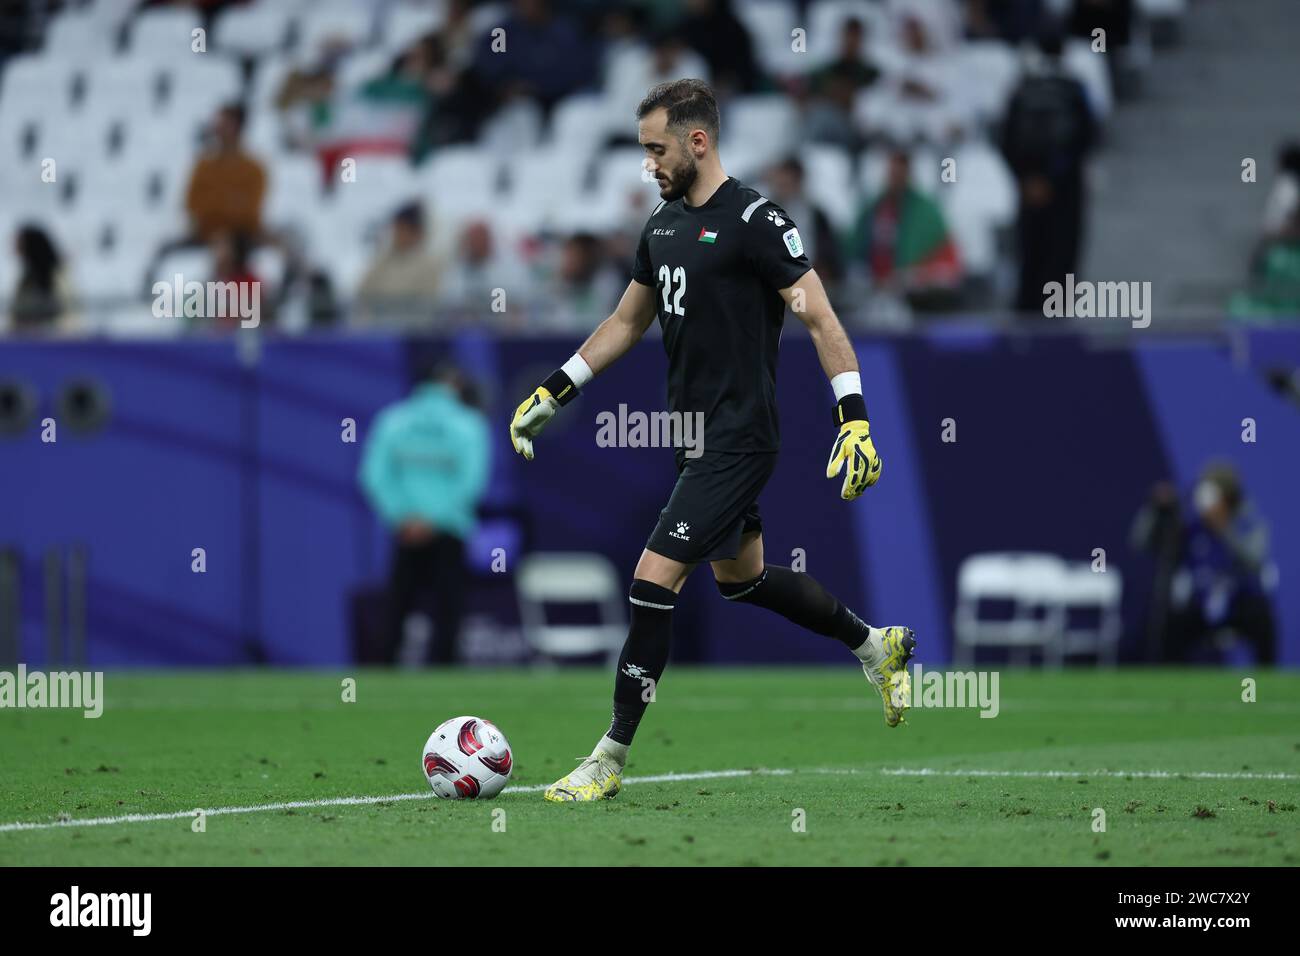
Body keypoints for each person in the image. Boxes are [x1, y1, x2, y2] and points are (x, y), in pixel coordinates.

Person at [508, 79, 915, 803]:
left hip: (740, 438)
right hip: (692, 438)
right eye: (643, 151)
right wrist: (555, 388)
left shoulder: (758, 221)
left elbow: (820, 318)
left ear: (698, 142)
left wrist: (853, 417)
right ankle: (873, 645)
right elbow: (626, 324)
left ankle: (607, 758)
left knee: (650, 579)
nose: (648, 165)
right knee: (743, 580)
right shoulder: (662, 225)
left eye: (657, 149)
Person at [359, 366, 491, 665]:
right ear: (450, 384)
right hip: (449, 530)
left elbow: (374, 476)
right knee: (448, 609)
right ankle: (443, 672)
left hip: (405, 529)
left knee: (398, 606)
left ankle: (384, 673)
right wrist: (435, 519)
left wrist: (404, 517)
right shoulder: (469, 423)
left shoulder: (392, 420)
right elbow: (471, 480)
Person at [1131, 463, 1277, 665]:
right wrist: (1155, 510)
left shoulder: (1247, 521)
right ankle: (1169, 680)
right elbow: (1141, 543)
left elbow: (1254, 561)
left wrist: (1223, 527)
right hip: (1200, 601)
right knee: (1171, 625)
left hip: (1240, 600)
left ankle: (1267, 678)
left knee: (1262, 619)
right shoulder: (1190, 523)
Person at [1000, 32, 1096, 314]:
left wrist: (1028, 179)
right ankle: (1059, 337)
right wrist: (1053, 179)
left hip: (1029, 192)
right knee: (1061, 263)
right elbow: (1087, 139)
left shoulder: (1020, 89)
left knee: (1030, 260)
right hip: (1065, 194)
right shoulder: (1075, 89)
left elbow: (1005, 140)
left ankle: (1024, 337)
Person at [183, 103, 267, 244]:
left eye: (225, 123)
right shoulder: (204, 166)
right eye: (219, 122)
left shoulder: (254, 168)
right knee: (223, 247)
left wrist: (219, 206)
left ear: (238, 127)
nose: (219, 127)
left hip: (246, 231)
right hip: (210, 231)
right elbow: (191, 203)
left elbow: (252, 209)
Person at [356, 202, 444, 326]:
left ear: (415, 233)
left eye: (402, 229)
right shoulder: (384, 259)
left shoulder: (429, 264)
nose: (397, 234)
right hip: (378, 329)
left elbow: (426, 308)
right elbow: (362, 291)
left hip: (410, 335)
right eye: (396, 229)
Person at [7, 225, 79, 334]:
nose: (15, 247)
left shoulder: (56, 274)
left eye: (20, 242)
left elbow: (68, 312)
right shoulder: (26, 277)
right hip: (25, 339)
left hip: (51, 340)